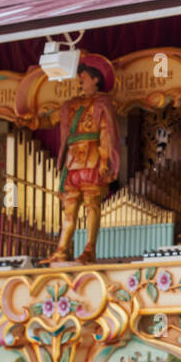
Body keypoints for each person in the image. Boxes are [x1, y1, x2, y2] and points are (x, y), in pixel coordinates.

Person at [39, 55, 120, 265]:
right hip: (73, 160)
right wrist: (32, 121)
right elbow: (51, 119)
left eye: (83, 77)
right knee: (69, 208)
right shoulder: (71, 105)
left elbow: (106, 132)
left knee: (92, 205)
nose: (80, 81)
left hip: (92, 156)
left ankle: (89, 249)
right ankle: (61, 250)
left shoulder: (102, 103)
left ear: (96, 79)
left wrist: (104, 159)